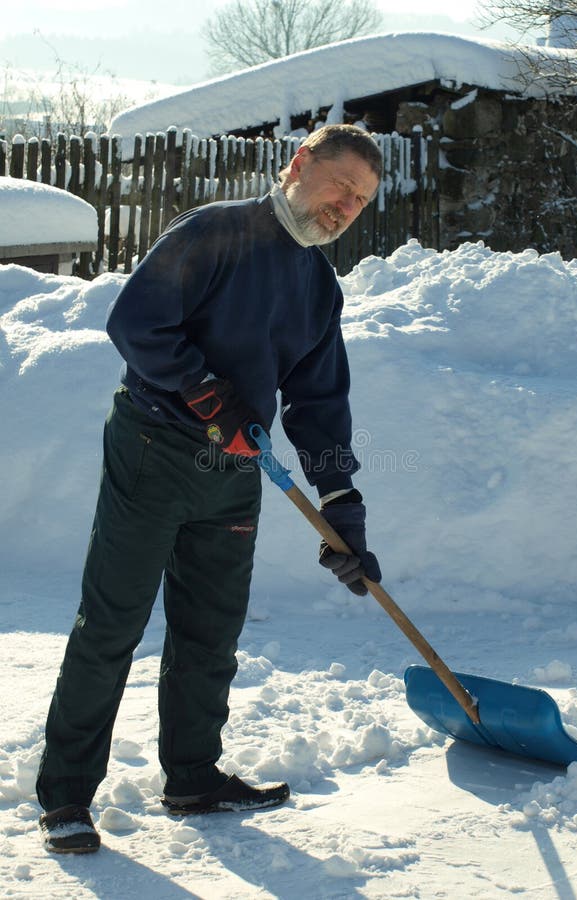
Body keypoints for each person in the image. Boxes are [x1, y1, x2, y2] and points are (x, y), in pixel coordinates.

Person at [36, 124, 383, 854]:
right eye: (339, 186)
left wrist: (341, 506)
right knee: (113, 624)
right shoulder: (218, 233)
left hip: (233, 467)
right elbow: (136, 322)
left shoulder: (318, 287)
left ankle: (193, 775)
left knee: (211, 629)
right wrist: (205, 394)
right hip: (154, 446)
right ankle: (66, 796)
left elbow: (320, 403)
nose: (345, 206)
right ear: (299, 164)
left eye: (360, 201)